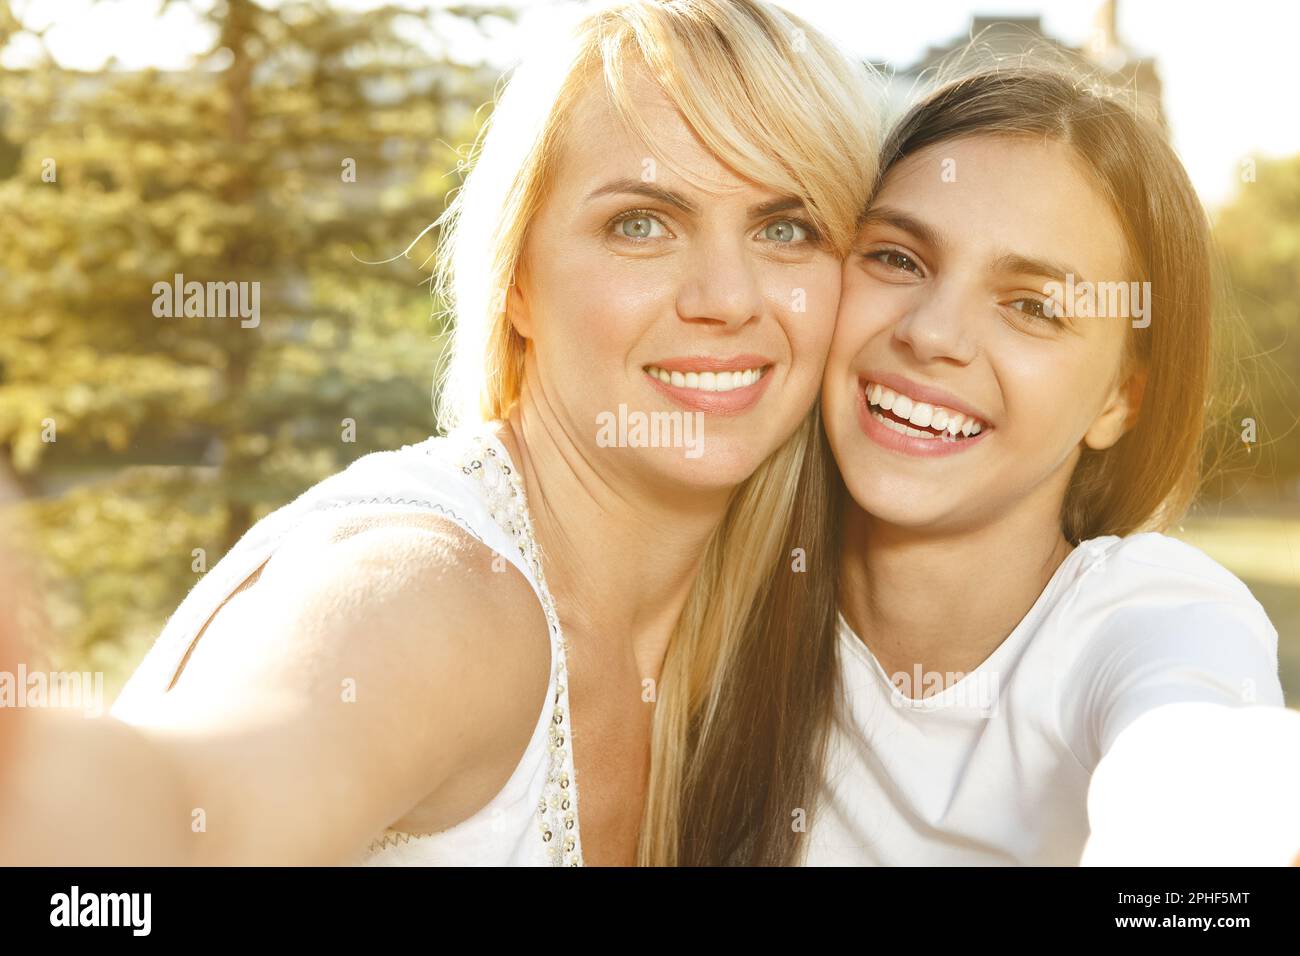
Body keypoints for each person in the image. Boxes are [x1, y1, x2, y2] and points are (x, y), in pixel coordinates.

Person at [0, 0, 880, 867]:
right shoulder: (439, 596)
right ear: (517, 283)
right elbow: (192, 814)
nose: (726, 298)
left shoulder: (788, 632)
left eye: (786, 228)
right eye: (640, 224)